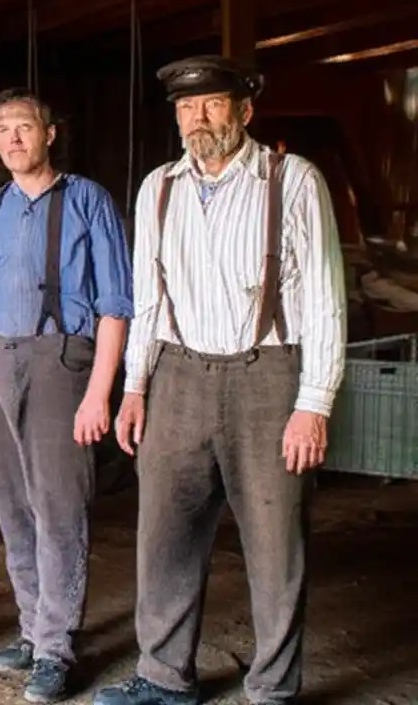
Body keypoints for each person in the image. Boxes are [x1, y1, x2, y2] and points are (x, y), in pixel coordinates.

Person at [94, 56, 346, 705]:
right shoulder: (160, 187)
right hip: (176, 372)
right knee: (165, 536)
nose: (196, 118)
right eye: (185, 107)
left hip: (268, 378)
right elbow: (147, 297)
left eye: (210, 104)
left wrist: (313, 403)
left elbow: (323, 299)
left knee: (274, 544)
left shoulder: (291, 181)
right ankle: (163, 680)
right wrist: (134, 387)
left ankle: (271, 690)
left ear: (244, 111)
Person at [0, 88, 133, 703]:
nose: (13, 139)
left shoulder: (88, 200)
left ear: (49, 133)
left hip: (62, 361)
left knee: (58, 507)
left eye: (24, 126)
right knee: (13, 505)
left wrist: (99, 393)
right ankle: (32, 629)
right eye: (2, 128)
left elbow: (115, 306)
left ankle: (56, 647)